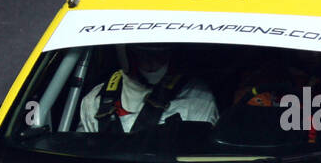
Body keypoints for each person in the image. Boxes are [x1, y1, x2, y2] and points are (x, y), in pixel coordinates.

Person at [78, 44, 218, 133]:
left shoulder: (197, 99)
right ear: (126, 54)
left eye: (159, 55)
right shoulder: (96, 100)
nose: (152, 63)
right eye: (142, 54)